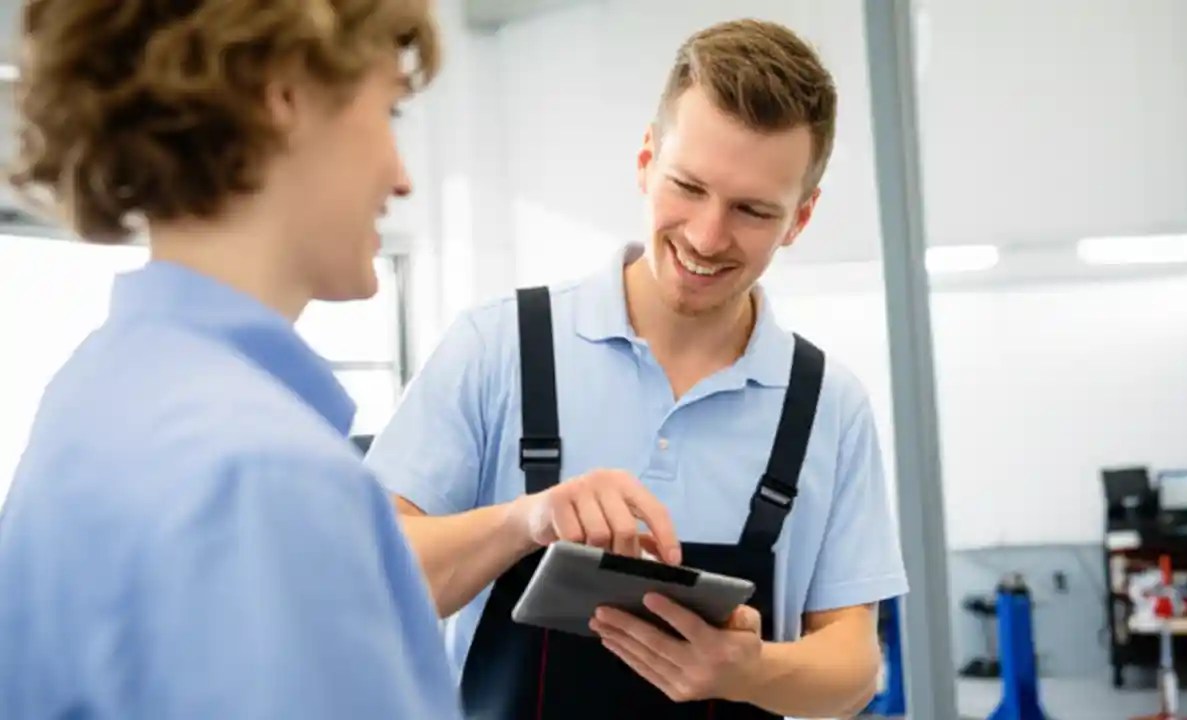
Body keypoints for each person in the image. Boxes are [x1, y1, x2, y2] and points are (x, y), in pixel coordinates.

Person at [365, 18, 908, 720]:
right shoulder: (498, 348)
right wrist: (524, 522)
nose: (708, 237)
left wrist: (750, 670)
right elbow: (370, 579)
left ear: (800, 218)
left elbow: (854, 666)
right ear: (647, 160)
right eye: (688, 186)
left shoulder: (828, 407)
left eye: (751, 210)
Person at [0, 2, 462, 718]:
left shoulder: (94, 392)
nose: (401, 178)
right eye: (390, 115)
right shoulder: (265, 475)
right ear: (285, 95)